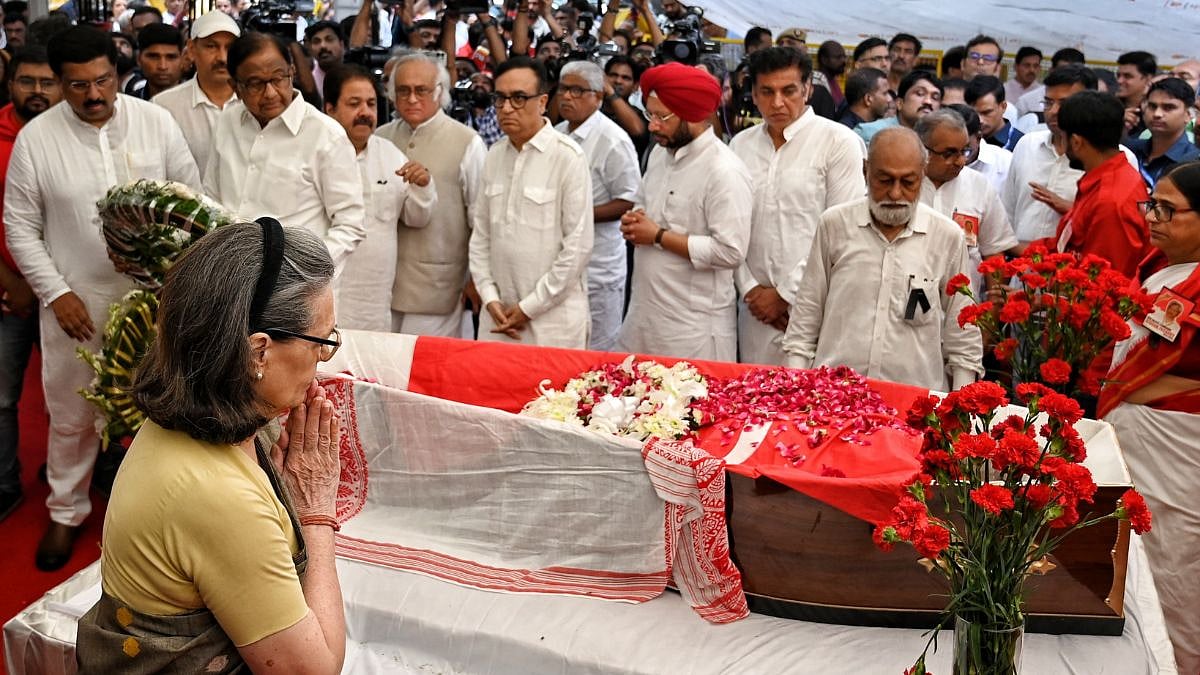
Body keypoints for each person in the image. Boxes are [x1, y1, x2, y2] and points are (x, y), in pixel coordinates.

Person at [74, 220, 347, 673]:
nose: (323, 362)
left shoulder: (191, 416)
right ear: (259, 352)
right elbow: (313, 670)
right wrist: (316, 512)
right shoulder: (218, 495)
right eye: (322, 343)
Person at [4, 26, 199, 570]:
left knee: (161, 407)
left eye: (103, 81)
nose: (93, 96)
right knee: (71, 412)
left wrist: (172, 275)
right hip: (77, 305)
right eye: (77, 86)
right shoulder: (37, 139)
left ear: (117, 73)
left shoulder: (155, 122)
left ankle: (156, 513)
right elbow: (19, 228)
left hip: (156, 299)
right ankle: (66, 512)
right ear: (60, 84)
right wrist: (56, 292)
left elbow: (192, 198)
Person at [1097, 161, 1200, 675]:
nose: (1152, 217)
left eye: (1167, 209)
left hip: (1180, 453)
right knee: (1133, 559)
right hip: (1137, 446)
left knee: (1175, 566)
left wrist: (1149, 394)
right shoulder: (1158, 266)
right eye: (1151, 205)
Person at [782, 126, 982, 391]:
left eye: (908, 182)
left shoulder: (946, 236)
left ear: (922, 177)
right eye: (884, 180)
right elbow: (804, 323)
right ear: (866, 172)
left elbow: (963, 336)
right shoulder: (835, 225)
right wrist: (794, 393)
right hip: (836, 398)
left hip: (915, 402)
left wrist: (959, 411)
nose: (896, 194)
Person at [731, 46, 866, 365]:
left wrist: (785, 296)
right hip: (754, 311)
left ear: (807, 89)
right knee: (750, 405)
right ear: (753, 92)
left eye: (788, 90)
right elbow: (728, 226)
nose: (777, 102)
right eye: (767, 91)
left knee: (810, 406)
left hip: (814, 307)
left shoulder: (838, 142)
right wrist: (750, 290)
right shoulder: (740, 145)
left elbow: (842, 230)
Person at [617, 61, 752, 362]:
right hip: (643, 317)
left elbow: (731, 251)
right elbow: (643, 206)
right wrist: (634, 222)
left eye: (661, 117)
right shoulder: (659, 155)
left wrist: (659, 236)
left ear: (693, 114)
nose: (652, 125)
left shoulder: (724, 170)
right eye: (649, 115)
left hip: (693, 331)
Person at [204, 32, 365, 270]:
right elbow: (211, 200)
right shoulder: (228, 121)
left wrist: (301, 273)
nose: (270, 93)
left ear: (292, 72)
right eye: (256, 83)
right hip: (231, 279)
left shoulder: (325, 135)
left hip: (295, 288)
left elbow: (350, 224)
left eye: (279, 78)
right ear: (235, 87)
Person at [469, 56, 593, 347]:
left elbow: (577, 248)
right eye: (500, 98)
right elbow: (480, 237)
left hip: (552, 322)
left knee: (556, 394)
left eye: (519, 98)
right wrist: (489, 297)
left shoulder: (567, 157)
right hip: (497, 319)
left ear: (542, 102)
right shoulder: (494, 155)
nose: (507, 108)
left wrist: (529, 308)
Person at [377, 51, 485, 338]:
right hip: (382, 285)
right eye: (403, 90)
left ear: (440, 92)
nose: (412, 99)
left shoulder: (467, 142)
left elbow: (481, 218)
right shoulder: (380, 138)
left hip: (441, 287)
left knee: (428, 375)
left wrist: (477, 279)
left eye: (421, 90)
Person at [324, 64, 435, 332]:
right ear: (330, 108)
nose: (365, 112)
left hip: (373, 300)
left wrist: (423, 185)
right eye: (354, 104)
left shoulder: (390, 154)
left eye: (371, 104)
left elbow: (417, 218)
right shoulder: (316, 153)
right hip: (325, 290)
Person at [0, 46, 61, 522]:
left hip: (69, 294)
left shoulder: (70, 137)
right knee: (3, 397)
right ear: (10, 83)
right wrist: (10, 281)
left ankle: (72, 469)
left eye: (47, 82)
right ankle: (4, 481)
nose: (37, 92)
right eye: (27, 81)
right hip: (10, 294)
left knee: (72, 389)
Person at [555, 60, 641, 352]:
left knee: (598, 350)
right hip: (561, 261)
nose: (567, 97)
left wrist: (576, 215)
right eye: (564, 89)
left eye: (578, 91)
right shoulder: (557, 132)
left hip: (599, 265)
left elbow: (629, 199)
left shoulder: (613, 140)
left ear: (599, 96)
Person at [916, 109, 1017, 295]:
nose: (961, 161)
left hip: (963, 310)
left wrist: (991, 316)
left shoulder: (979, 186)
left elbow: (994, 252)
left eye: (965, 150)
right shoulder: (905, 184)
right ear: (923, 150)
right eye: (950, 154)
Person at [1050, 90, 1151, 277]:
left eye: (1062, 137)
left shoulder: (1111, 200)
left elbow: (1103, 287)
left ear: (1076, 142)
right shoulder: (1111, 178)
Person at [1004, 64, 1097, 246]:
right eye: (1048, 102)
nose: (1053, 112)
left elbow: (1110, 223)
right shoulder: (1027, 144)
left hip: (1076, 268)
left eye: (1064, 104)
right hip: (1020, 265)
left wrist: (1071, 209)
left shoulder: (1111, 156)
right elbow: (1008, 211)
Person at [152, 11, 240, 170]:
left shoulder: (256, 103)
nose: (222, 58)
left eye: (230, 47)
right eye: (211, 46)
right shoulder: (164, 106)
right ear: (191, 49)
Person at [1127, 77, 1200, 187]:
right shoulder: (1127, 150)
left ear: (1189, 115)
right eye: (1152, 106)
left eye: (1168, 107)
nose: (1157, 114)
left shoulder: (1192, 162)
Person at [855, 69, 942, 143]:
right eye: (920, 93)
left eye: (935, 97)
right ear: (899, 103)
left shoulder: (938, 142)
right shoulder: (870, 133)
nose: (928, 101)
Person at [966, 75, 1022, 150]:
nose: (980, 120)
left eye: (986, 112)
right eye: (973, 113)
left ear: (1003, 107)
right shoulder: (962, 141)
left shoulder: (1021, 144)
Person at [130, 22, 184, 100]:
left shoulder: (200, 105)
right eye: (154, 57)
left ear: (182, 59)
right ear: (139, 59)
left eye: (171, 57)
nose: (163, 66)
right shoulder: (126, 107)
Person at [304, 20, 345, 105]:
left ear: (341, 44)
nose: (323, 46)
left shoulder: (355, 78)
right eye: (316, 41)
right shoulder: (308, 81)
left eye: (329, 40)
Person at [1117, 50, 1156, 137]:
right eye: (1118, 75)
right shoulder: (1109, 106)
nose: (1119, 81)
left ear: (1147, 78)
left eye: (1127, 76)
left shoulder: (1157, 111)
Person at [838, 66, 888, 130]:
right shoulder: (846, 131)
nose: (889, 99)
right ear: (868, 99)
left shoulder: (873, 127)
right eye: (885, 93)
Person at [814, 40, 847, 107]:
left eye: (844, 57)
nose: (843, 61)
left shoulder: (832, 80)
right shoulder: (816, 83)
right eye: (838, 57)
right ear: (824, 60)